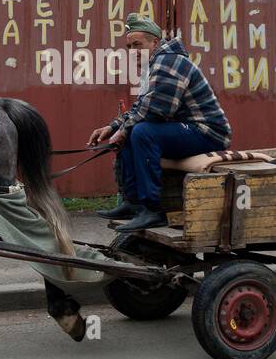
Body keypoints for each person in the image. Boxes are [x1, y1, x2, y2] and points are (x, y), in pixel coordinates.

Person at [89, 14, 231, 232]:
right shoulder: (153, 65)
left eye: (138, 44)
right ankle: (133, 202)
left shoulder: (169, 61)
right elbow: (141, 108)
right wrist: (113, 127)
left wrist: (124, 131)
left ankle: (152, 209)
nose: (133, 51)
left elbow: (158, 110)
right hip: (185, 130)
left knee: (143, 131)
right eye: (129, 46)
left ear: (154, 42)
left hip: (207, 133)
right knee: (134, 129)